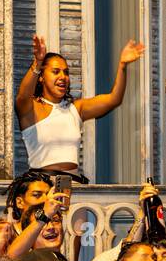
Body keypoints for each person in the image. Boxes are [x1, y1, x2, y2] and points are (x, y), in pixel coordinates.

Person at [13, 34, 145, 176]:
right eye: (55, 72)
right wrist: (37, 64)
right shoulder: (31, 108)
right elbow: (22, 96)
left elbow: (114, 99)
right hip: (42, 187)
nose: (63, 77)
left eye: (66, 72)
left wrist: (122, 65)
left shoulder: (75, 109)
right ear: (41, 77)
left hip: (73, 186)